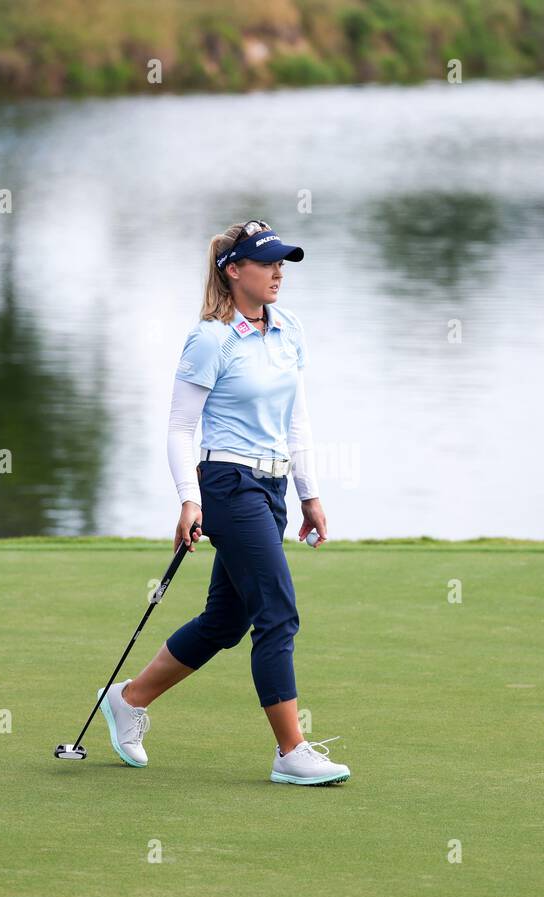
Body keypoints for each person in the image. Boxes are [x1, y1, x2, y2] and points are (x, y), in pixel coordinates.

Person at [95, 219, 350, 786]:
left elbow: (298, 419)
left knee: (224, 620)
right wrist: (189, 500)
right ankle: (292, 751)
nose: (279, 272)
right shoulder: (209, 338)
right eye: (268, 263)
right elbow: (180, 427)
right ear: (234, 272)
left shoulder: (288, 329)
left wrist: (309, 493)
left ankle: (129, 699)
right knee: (277, 613)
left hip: (273, 486)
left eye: (283, 262)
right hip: (227, 484)